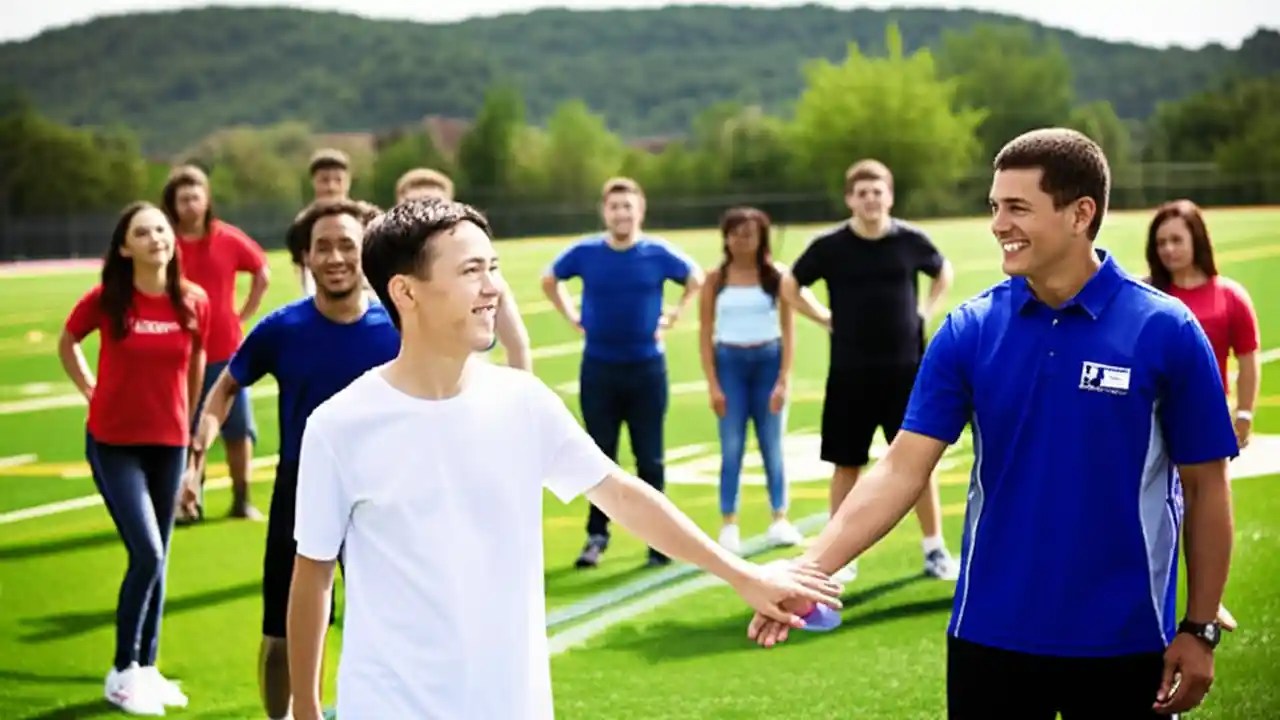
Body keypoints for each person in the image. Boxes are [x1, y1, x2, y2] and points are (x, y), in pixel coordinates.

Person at [285, 198, 843, 720]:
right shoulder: (340, 426)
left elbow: (622, 494)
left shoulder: (521, 402)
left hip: (513, 703)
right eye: (471, 271)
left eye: (494, 268)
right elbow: (312, 576)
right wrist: (307, 712)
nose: (493, 290)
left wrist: (743, 575)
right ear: (406, 292)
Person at [750, 128, 1238, 720]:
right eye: (994, 207)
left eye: (1017, 208)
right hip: (989, 635)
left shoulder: (1166, 330)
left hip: (1125, 639)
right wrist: (808, 570)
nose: (998, 224)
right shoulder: (970, 329)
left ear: (1081, 213)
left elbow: (1207, 486)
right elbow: (902, 468)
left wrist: (1200, 626)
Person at [191, 199, 395, 720]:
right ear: (305, 258)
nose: (335, 257)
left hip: (383, 498)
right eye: (321, 247)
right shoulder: (284, 328)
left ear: (365, 253)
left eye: (347, 244)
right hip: (301, 494)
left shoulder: (396, 328)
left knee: (393, 628)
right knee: (282, 636)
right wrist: (200, 448)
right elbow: (227, 385)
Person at [57, 201, 211, 716]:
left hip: (168, 443)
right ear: (125, 247)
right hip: (113, 442)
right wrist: (88, 388)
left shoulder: (193, 301)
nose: (155, 239)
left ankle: (147, 668)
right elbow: (68, 340)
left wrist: (190, 431)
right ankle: (121, 670)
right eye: (142, 233)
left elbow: (198, 361)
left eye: (161, 230)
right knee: (147, 552)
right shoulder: (107, 299)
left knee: (159, 556)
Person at [781, 158, 959, 583]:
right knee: (846, 465)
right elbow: (790, 285)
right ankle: (837, 557)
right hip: (850, 372)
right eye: (862, 193)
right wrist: (822, 317)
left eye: (878, 191)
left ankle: (934, 549)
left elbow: (942, 270)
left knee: (917, 465)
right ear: (850, 199)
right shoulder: (830, 246)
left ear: (890, 196)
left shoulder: (910, 240)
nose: (871, 199)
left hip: (904, 372)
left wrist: (925, 311)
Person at [542, 177, 704, 569]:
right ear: (605, 212)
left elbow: (695, 277)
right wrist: (572, 316)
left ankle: (660, 540)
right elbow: (550, 279)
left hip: (647, 369)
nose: (621, 214)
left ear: (640, 210)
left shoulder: (656, 253)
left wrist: (676, 314)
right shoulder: (586, 252)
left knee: (650, 459)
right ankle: (597, 536)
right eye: (615, 207)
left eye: (628, 207)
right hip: (599, 369)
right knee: (598, 457)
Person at [1145, 198, 1261, 633]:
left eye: (1177, 239)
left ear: (1198, 240)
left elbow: (1248, 359)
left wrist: (1245, 412)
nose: (1169, 250)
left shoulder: (1229, 296)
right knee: (1157, 512)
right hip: (1151, 422)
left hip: (1204, 423)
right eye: (1161, 242)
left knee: (1203, 509)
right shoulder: (1149, 294)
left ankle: (1207, 601)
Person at [162, 164, 270, 522]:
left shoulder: (226, 237)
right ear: (172, 204)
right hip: (179, 352)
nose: (190, 205)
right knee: (186, 429)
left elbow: (261, 270)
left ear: (207, 199)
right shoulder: (166, 243)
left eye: (196, 196)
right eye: (183, 199)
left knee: (237, 429)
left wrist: (243, 314)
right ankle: (191, 500)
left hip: (226, 348)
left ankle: (242, 499)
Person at [697, 206, 805, 553]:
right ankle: (729, 522)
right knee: (731, 447)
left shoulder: (776, 276)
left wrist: (783, 379)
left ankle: (779, 517)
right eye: (735, 233)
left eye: (749, 233)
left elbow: (789, 331)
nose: (742, 240)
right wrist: (713, 383)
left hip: (768, 361)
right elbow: (704, 331)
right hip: (730, 362)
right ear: (725, 238)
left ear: (762, 238)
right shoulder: (715, 279)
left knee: (773, 446)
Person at [395, 166, 533, 371]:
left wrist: (523, 400)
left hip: (467, 394)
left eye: (433, 204)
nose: (422, 214)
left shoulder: (484, 277)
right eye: (413, 205)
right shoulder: (376, 272)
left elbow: (517, 346)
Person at [289, 149, 353, 296]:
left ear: (348, 182)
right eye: (324, 180)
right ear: (314, 182)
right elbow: (299, 267)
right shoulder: (302, 224)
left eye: (338, 180)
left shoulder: (366, 217)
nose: (331, 187)